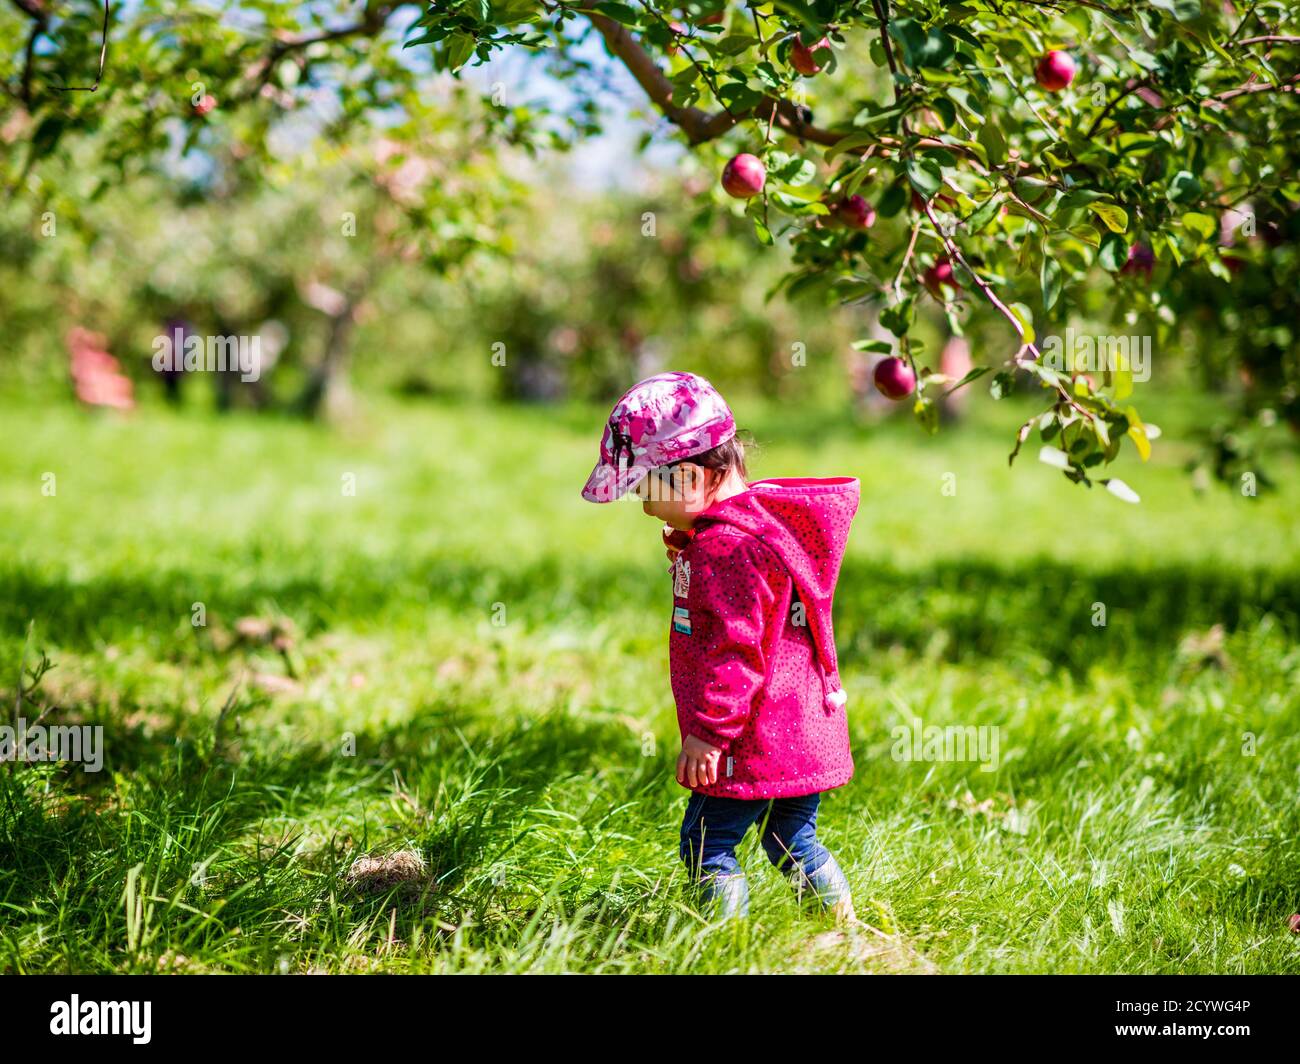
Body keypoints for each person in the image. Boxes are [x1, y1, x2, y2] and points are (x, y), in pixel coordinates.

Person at [580, 371, 860, 921]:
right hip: (804, 726)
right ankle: (842, 928)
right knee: (789, 840)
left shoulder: (724, 550)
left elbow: (737, 652)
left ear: (687, 477)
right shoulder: (757, 526)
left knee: (706, 845)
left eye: (646, 490)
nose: (644, 507)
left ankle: (723, 947)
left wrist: (709, 735)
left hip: (751, 737)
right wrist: (692, 549)